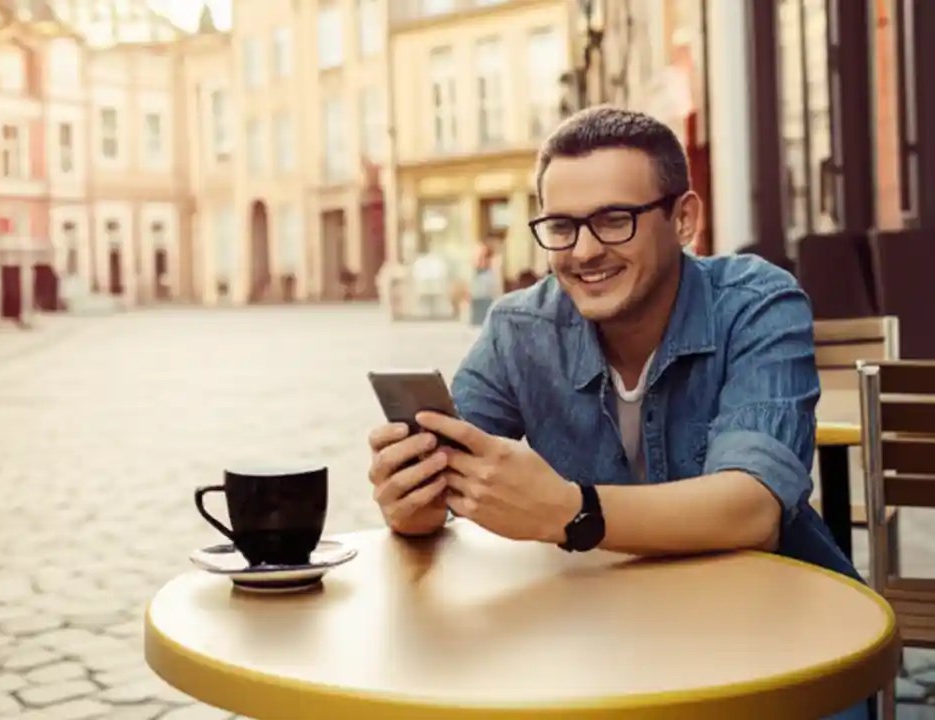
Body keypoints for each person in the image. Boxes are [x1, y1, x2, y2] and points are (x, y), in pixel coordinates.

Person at [366, 107, 867, 719]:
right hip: (599, 645)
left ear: (683, 219)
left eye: (614, 221)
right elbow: (450, 479)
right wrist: (412, 501)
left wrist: (570, 511)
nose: (584, 251)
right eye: (561, 226)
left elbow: (751, 509)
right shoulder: (520, 328)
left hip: (779, 649)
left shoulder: (757, 304)